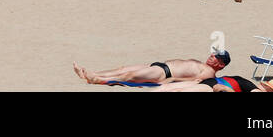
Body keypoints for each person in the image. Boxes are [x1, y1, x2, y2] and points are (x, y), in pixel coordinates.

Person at [74, 50, 232, 85]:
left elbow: (195, 80)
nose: (211, 55)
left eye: (215, 56)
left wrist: (172, 79)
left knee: (129, 75)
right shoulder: (204, 64)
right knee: (123, 68)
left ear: (221, 64)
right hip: (159, 65)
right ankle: (92, 73)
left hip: (164, 73)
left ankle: (99, 79)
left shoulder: (210, 72)